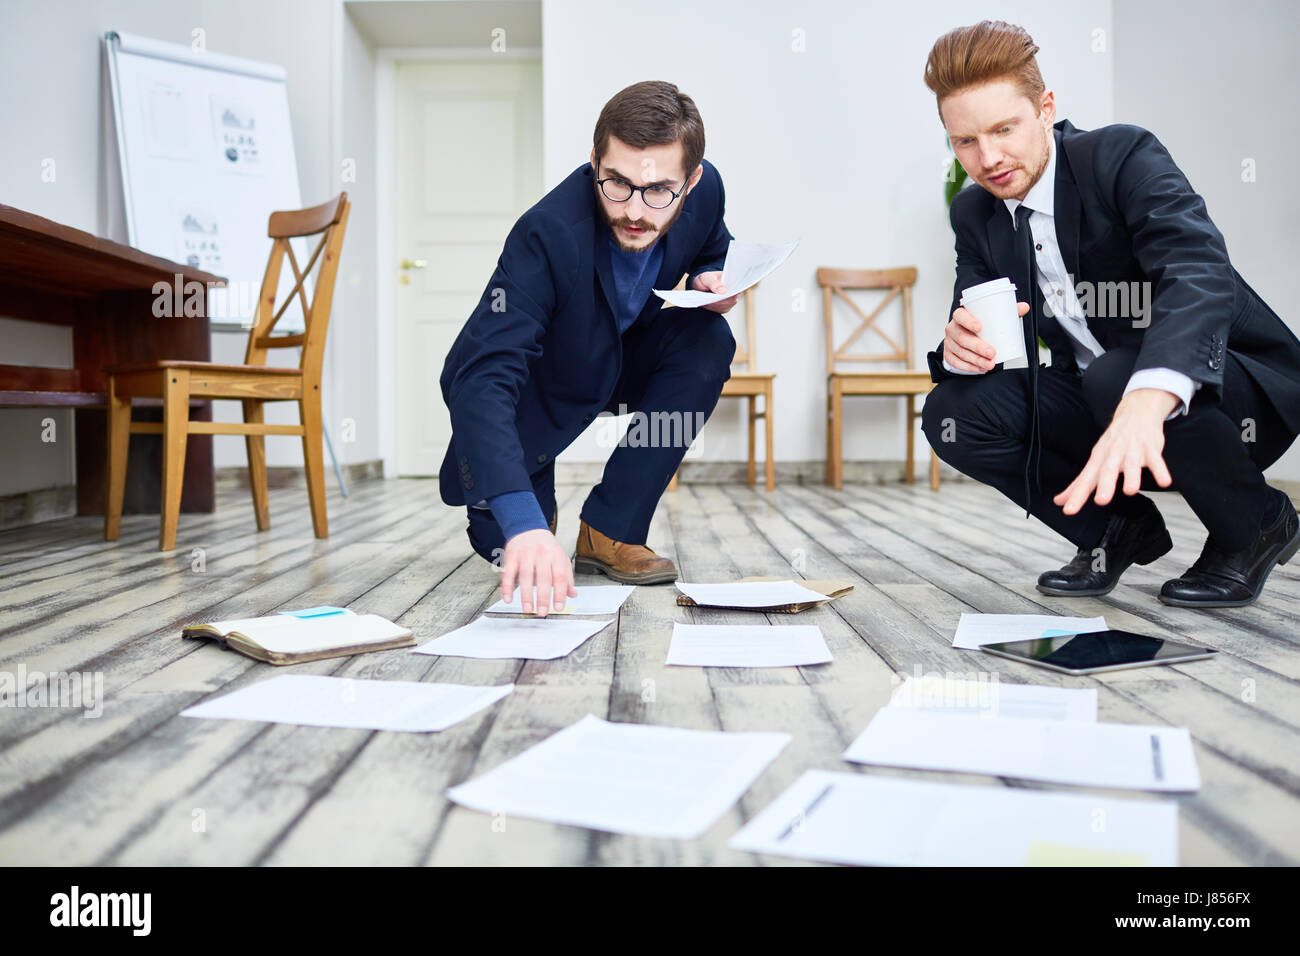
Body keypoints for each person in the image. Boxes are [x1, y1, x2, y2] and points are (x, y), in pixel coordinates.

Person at [919, 20, 1300, 607]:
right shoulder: (975, 213)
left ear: (1045, 109)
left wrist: (1148, 395)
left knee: (1115, 374)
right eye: (965, 141)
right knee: (954, 412)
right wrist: (959, 347)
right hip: (1101, 396)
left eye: (1003, 129)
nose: (988, 157)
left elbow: (1197, 271)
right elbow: (975, 317)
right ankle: (1113, 530)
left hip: (1231, 390)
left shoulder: (1118, 156)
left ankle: (1256, 525)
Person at [439, 80, 738, 616]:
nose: (636, 212)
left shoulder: (706, 190)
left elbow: (712, 242)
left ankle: (609, 529)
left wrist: (709, 279)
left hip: (624, 359)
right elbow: (481, 374)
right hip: (543, 386)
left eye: (660, 192)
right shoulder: (545, 235)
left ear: (691, 181)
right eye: (616, 183)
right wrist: (522, 521)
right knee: (517, 537)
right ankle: (522, 510)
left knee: (708, 339)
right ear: (594, 160)